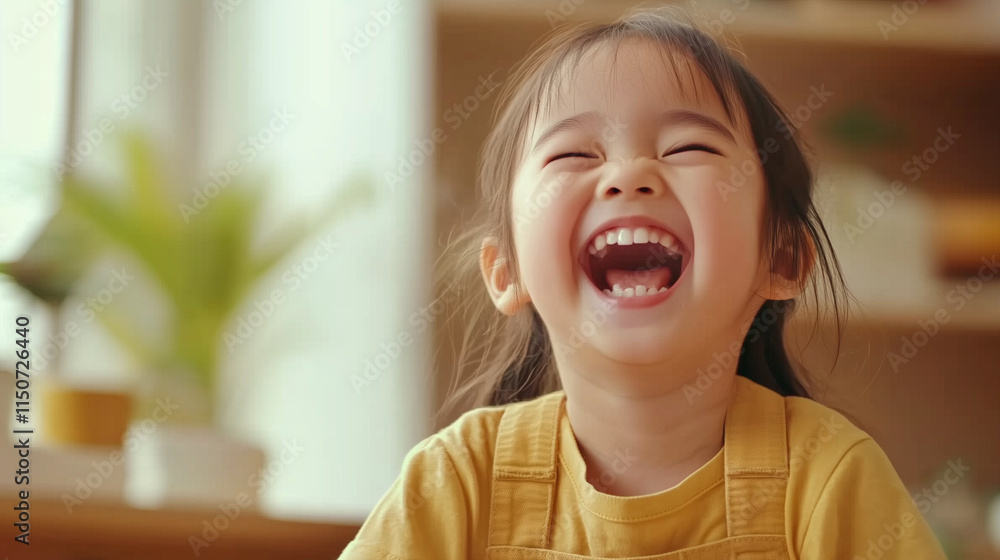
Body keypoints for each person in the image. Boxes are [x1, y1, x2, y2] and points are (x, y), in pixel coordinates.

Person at [340, 7, 947, 559]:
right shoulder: (454, 483)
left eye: (687, 146)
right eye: (572, 156)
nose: (628, 175)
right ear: (508, 271)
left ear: (781, 257)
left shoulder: (831, 478)